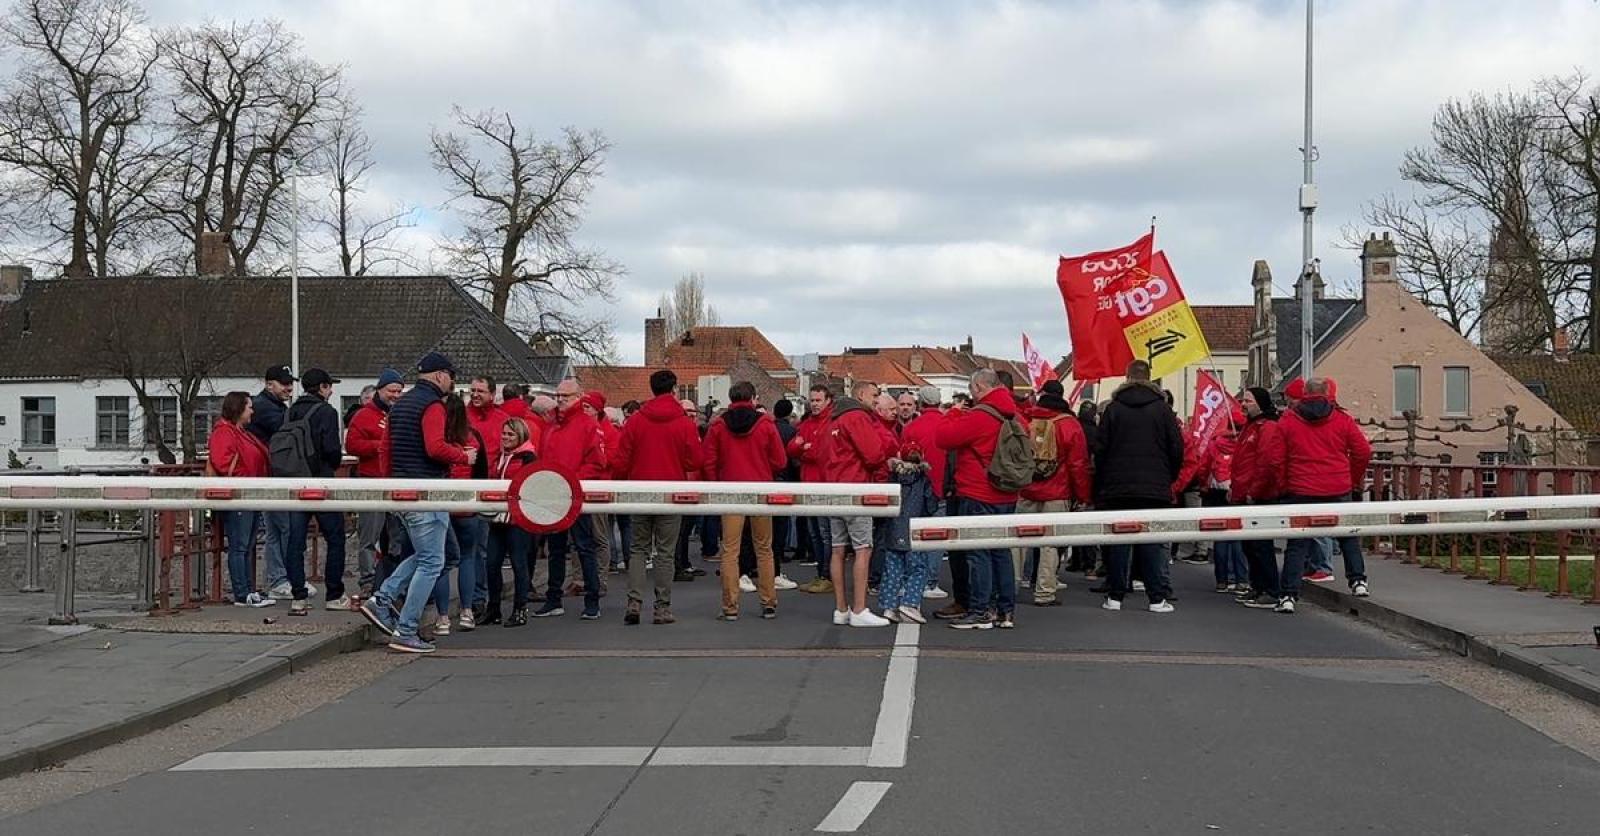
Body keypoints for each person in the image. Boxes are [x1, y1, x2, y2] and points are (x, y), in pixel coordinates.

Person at [359, 352, 474, 653]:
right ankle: (406, 628)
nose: (452, 381)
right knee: (433, 560)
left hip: (403, 490)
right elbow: (435, 447)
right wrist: (464, 456)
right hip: (426, 491)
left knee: (445, 554)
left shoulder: (399, 405)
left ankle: (382, 600)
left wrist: (391, 485)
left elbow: (385, 449)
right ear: (439, 375)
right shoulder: (432, 406)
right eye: (451, 376)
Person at [1273, 377, 1373, 613]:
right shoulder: (1341, 419)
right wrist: (1350, 477)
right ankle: (1358, 581)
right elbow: (1362, 451)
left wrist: (1284, 484)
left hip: (1301, 488)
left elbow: (1275, 459)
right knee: (1348, 536)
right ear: (1327, 393)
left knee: (1297, 544)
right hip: (1338, 487)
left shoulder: (1289, 420)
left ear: (1304, 393)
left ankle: (1288, 595)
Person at [611, 369, 701, 626]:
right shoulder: (683, 422)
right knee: (665, 552)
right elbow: (694, 459)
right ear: (674, 390)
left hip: (641, 491)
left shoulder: (637, 420)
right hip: (670, 492)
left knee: (638, 548)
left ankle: (634, 601)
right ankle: (662, 607)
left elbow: (621, 460)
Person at [935, 368, 1022, 630]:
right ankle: (1005, 610)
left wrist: (952, 413)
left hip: (979, 490)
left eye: (973, 390)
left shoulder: (980, 416)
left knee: (979, 552)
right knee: (1001, 551)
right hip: (1007, 490)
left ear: (979, 387)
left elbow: (943, 438)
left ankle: (980, 610)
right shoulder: (1014, 414)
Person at [1094, 359, 1183, 614]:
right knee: (1152, 543)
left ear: (1126, 377)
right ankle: (1156, 598)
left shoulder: (1113, 409)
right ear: (1150, 378)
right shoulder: (1163, 410)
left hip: (1117, 487)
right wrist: (1168, 477)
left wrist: (1103, 480)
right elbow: (1176, 448)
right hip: (1155, 487)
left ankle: (1115, 596)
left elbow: (1100, 450)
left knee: (1118, 543)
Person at [703, 381, 788, 620]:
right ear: (753, 398)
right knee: (764, 548)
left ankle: (730, 606)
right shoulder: (765, 424)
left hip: (730, 491)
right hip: (760, 490)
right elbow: (780, 461)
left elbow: (708, 459)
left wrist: (716, 484)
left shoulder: (719, 425)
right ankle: (769, 602)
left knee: (730, 550)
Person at [1014, 380, 1090, 607]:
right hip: (1057, 491)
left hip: (1026, 488)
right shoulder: (1069, 425)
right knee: (1050, 543)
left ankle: (1011, 586)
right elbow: (1078, 465)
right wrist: (1082, 496)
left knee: (1017, 540)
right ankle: (1045, 591)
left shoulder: (1026, 420)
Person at [535, 378, 607, 619]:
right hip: (555, 494)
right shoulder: (551, 424)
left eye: (565, 396)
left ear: (579, 397)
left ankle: (592, 599)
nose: (560, 400)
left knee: (584, 546)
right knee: (556, 548)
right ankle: (554, 598)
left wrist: (571, 482)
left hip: (575, 494)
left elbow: (596, 462)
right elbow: (543, 458)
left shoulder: (587, 425)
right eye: (558, 396)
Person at [823, 381, 891, 627]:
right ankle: (860, 608)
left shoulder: (833, 419)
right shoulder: (857, 417)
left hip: (834, 489)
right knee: (863, 548)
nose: (877, 399)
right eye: (875, 394)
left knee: (838, 548)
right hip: (856, 489)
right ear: (860, 394)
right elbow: (873, 455)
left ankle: (840, 608)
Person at [283, 368, 348, 615]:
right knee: (335, 536)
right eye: (329, 387)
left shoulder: (291, 412)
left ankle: (298, 596)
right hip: (320, 481)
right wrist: (331, 463)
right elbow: (332, 449)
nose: (331, 391)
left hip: (294, 480)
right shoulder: (326, 412)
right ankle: (334, 593)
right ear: (322, 387)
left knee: (295, 540)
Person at [208, 391, 274, 608]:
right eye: (249, 407)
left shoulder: (237, 432)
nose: (252, 411)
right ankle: (242, 592)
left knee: (246, 544)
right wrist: (245, 481)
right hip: (240, 495)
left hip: (247, 493)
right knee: (240, 545)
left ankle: (247, 590)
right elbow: (224, 462)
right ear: (239, 409)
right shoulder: (225, 433)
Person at [247, 365, 306, 599]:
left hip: (274, 474)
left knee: (281, 528)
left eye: (290, 383)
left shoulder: (273, 406)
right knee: (279, 529)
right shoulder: (265, 408)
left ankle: (285, 577)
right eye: (284, 383)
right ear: (269, 384)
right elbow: (286, 431)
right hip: (271, 475)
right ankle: (279, 579)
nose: (289, 388)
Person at [346, 369, 403, 594]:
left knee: (397, 536)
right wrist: (379, 446)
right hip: (372, 481)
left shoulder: (400, 414)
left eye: (399, 391)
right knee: (369, 536)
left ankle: (393, 580)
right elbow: (352, 445)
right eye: (392, 391)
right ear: (380, 390)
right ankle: (367, 582)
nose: (396, 395)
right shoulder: (363, 415)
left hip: (395, 482)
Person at [1230, 387, 1286, 609]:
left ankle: (1270, 589)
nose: (1243, 404)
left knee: (1261, 545)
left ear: (1259, 403)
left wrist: (1255, 490)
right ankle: (1258, 586)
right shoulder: (1252, 426)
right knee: (1250, 546)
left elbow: (1266, 463)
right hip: (1246, 492)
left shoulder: (1267, 427)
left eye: (1248, 400)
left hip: (1259, 495)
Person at [485, 417, 538, 626]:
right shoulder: (501, 456)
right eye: (504, 433)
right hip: (498, 517)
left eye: (510, 434)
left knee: (519, 564)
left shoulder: (528, 457)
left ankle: (520, 608)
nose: (505, 438)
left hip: (518, 520)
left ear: (520, 436)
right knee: (491, 563)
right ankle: (494, 608)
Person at [899, 385, 950, 600]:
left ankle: (913, 578)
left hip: (918, 486)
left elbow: (904, 456)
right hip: (943, 486)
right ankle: (931, 580)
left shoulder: (912, 428)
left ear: (920, 403)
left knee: (915, 534)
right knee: (937, 535)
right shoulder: (949, 425)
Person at [791, 385, 836, 594]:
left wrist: (804, 449)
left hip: (825, 484)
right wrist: (802, 448)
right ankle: (821, 573)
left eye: (818, 400)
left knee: (825, 534)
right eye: (813, 400)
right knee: (815, 533)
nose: (815, 404)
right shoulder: (807, 423)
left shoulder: (830, 423)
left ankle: (827, 575)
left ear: (828, 400)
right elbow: (791, 448)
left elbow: (819, 453)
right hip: (808, 483)